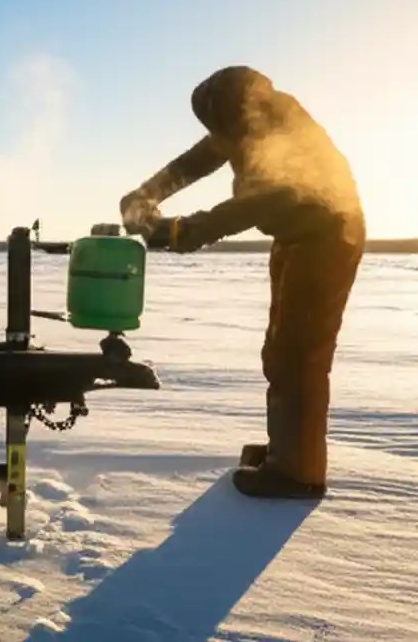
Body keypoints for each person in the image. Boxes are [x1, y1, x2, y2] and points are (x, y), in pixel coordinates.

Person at [120, 65, 366, 499]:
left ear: (234, 113)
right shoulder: (243, 121)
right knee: (279, 347)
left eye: (220, 127)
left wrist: (180, 230)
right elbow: (195, 161)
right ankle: (286, 450)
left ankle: (298, 474)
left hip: (329, 234)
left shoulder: (283, 132)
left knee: (299, 352)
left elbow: (259, 203)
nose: (220, 137)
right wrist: (147, 194)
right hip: (297, 235)